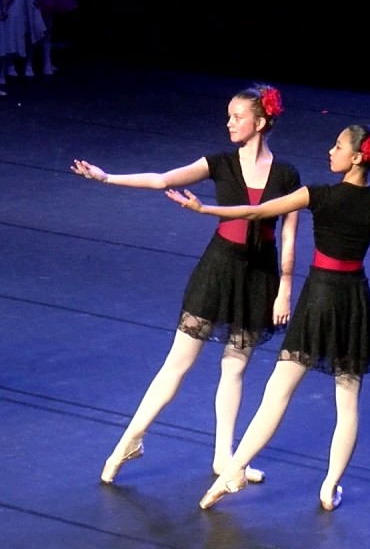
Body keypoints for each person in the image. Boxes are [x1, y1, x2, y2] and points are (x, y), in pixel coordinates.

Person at [72, 84, 300, 485]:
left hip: (258, 276)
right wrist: (107, 178)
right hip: (218, 268)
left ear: (260, 122)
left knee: (235, 369)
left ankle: (225, 458)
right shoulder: (219, 163)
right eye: (228, 115)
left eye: (237, 116)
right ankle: (128, 441)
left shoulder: (285, 175)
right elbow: (162, 180)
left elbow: (289, 236)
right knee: (177, 364)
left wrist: (284, 288)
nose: (229, 123)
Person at [170, 125, 370, 512]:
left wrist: (206, 209)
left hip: (319, 296)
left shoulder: (319, 195)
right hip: (355, 302)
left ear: (356, 157)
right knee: (348, 401)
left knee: (277, 394)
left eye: (338, 145)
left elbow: (257, 211)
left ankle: (233, 472)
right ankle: (329, 487)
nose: (330, 150)